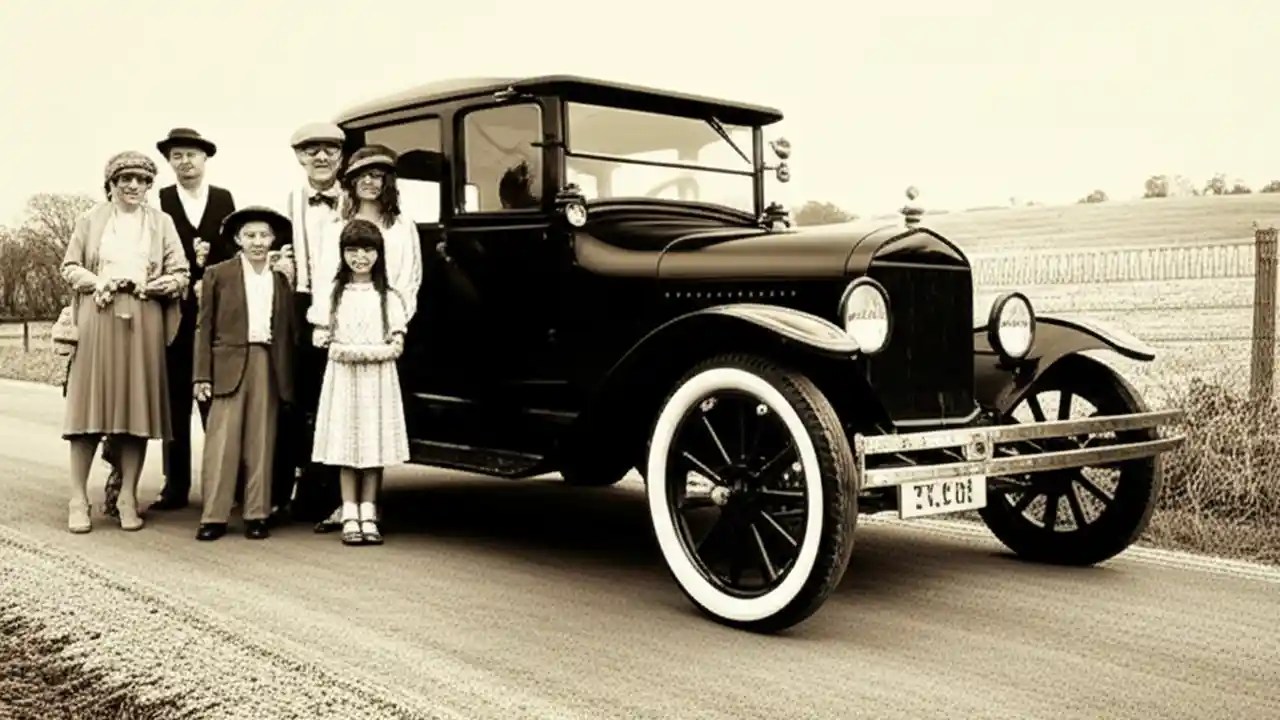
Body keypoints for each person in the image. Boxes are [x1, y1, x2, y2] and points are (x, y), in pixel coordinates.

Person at [100, 127, 239, 516]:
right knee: (175, 398)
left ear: (205, 159)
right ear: (169, 162)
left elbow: (235, 251)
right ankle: (176, 484)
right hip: (170, 311)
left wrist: (210, 267)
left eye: (192, 155)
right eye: (177, 156)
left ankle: (225, 482)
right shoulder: (158, 202)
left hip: (215, 313)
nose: (185, 162)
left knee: (218, 398)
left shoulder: (224, 199)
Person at [60, 150, 190, 533]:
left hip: (144, 320)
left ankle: (127, 497)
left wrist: (158, 284)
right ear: (112, 184)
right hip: (97, 317)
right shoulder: (91, 220)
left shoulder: (161, 222)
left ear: (150, 185)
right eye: (125, 179)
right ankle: (78, 499)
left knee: (135, 413)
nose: (133, 186)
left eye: (141, 180)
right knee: (88, 412)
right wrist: (97, 282)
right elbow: (70, 266)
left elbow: (180, 271)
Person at [308, 144, 423, 533]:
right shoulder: (335, 227)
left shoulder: (401, 225)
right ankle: (347, 508)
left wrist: (395, 323)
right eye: (363, 177)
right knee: (346, 424)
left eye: (378, 176)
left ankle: (370, 508)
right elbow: (325, 278)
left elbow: (409, 276)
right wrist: (325, 326)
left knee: (375, 422)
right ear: (351, 182)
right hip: (345, 331)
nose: (370, 183)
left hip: (381, 329)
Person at [192, 206, 297, 541]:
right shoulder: (218, 274)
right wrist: (201, 375)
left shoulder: (280, 279)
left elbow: (287, 331)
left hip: (267, 361)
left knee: (261, 440)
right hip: (227, 364)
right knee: (222, 442)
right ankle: (214, 516)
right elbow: (204, 327)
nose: (257, 242)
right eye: (250, 235)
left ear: (273, 239)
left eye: (264, 235)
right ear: (238, 239)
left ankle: (257, 513)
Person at [310, 219, 410, 545]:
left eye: (367, 250)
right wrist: (339, 346)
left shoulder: (388, 297)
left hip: (377, 382)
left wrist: (354, 351)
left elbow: (396, 345)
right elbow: (321, 339)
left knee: (372, 445)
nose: (360, 258)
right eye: (352, 250)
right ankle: (349, 511)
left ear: (379, 254)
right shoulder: (333, 295)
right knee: (346, 445)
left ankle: (369, 511)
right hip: (344, 381)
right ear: (343, 254)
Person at [276, 121, 348, 527]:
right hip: (304, 307)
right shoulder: (290, 201)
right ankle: (307, 486)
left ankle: (341, 495)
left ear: (340, 156)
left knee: (340, 398)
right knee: (303, 399)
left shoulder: (354, 200)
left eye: (328, 150)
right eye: (311, 151)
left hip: (346, 303)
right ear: (300, 158)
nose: (320, 158)